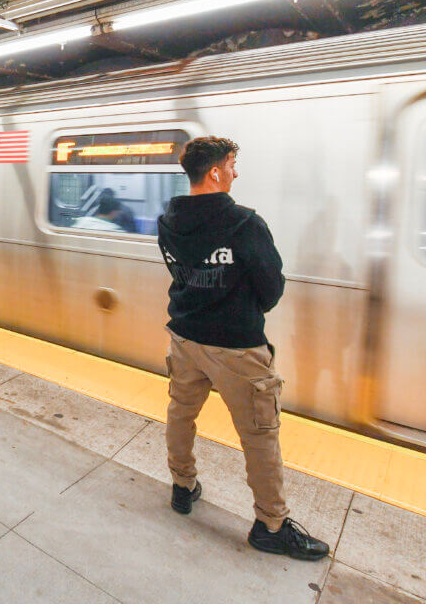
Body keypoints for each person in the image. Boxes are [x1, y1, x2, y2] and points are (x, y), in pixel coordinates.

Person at [156, 136, 329, 561]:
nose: (236, 171)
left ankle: (182, 486)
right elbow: (271, 287)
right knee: (259, 435)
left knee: (181, 412)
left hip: (184, 337)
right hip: (235, 346)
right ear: (214, 172)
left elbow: (180, 273)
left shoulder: (168, 221)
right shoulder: (245, 224)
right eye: (232, 164)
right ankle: (270, 524)